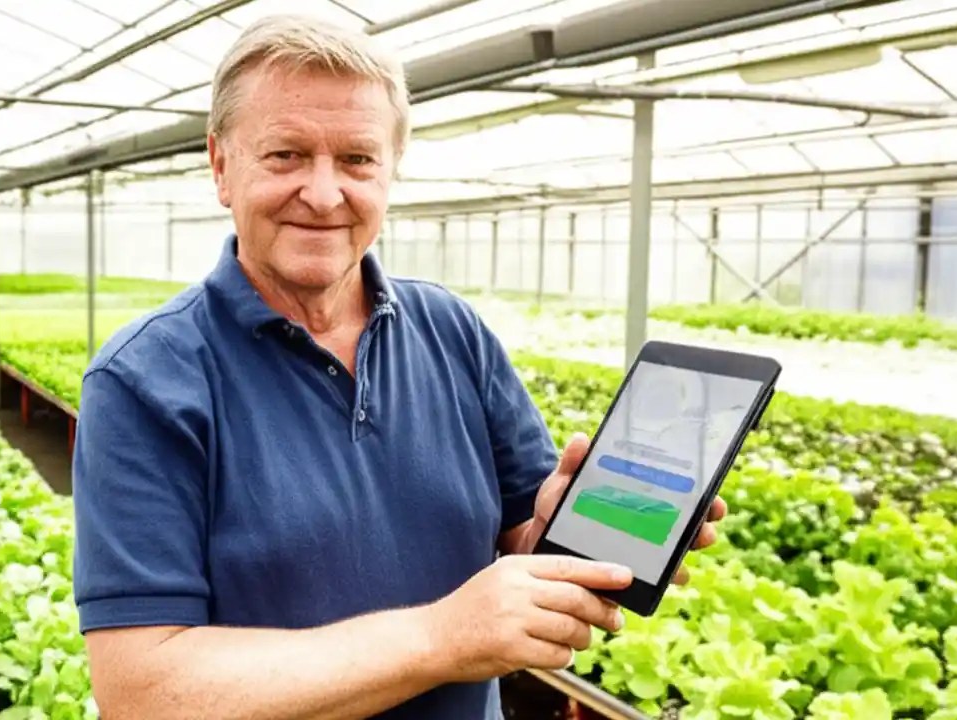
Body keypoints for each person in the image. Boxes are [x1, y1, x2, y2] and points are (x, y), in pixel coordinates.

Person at [71, 13, 725, 720]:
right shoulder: (145, 382)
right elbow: (143, 694)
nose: (324, 195)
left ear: (390, 172)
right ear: (221, 166)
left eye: (356, 160)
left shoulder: (452, 331)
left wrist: (559, 535)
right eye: (286, 155)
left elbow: (516, 537)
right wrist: (441, 637)